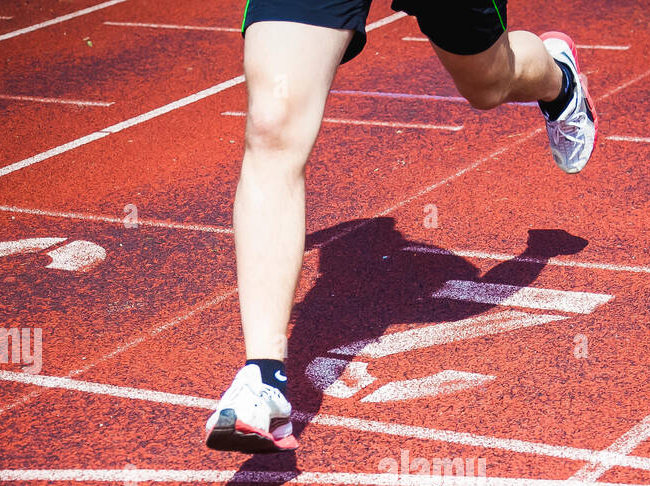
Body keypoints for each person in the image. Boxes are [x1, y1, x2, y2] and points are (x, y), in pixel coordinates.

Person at [204, 1, 598, 453]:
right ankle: (263, 381)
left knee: (489, 81)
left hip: (436, 288)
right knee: (272, 123)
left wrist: (537, 254)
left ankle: (560, 81)